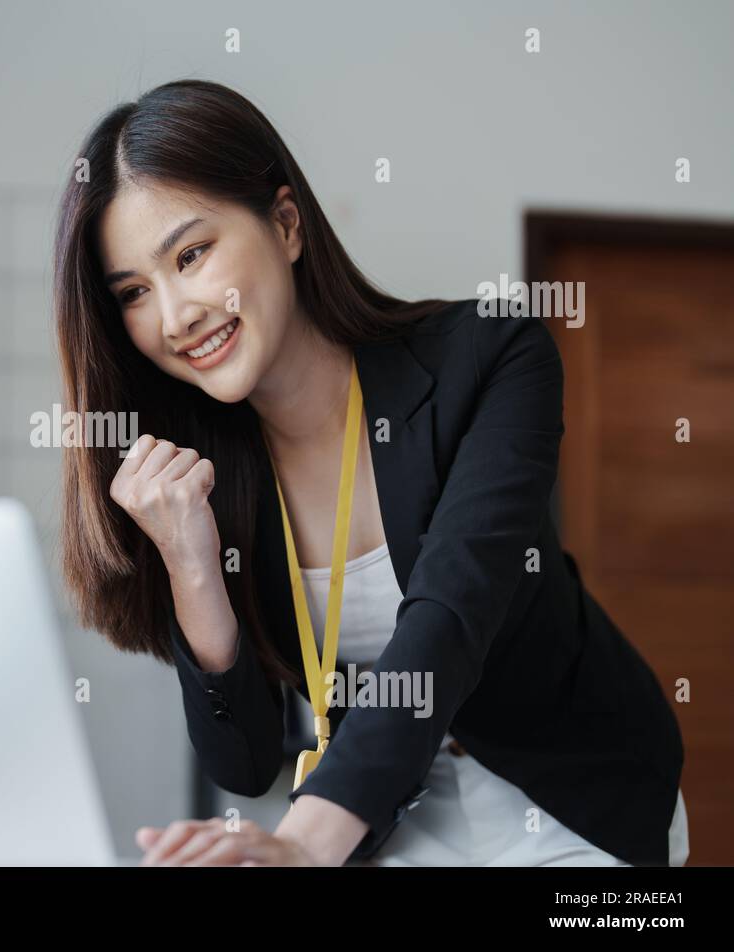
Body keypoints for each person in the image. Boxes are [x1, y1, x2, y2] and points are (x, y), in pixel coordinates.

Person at [53, 79, 687, 867]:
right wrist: (191, 563)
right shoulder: (204, 477)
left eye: (192, 254)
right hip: (393, 817)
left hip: (574, 802)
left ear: (286, 224)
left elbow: (448, 623)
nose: (176, 315)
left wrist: (306, 844)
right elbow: (244, 764)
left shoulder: (490, 358)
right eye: (135, 293)